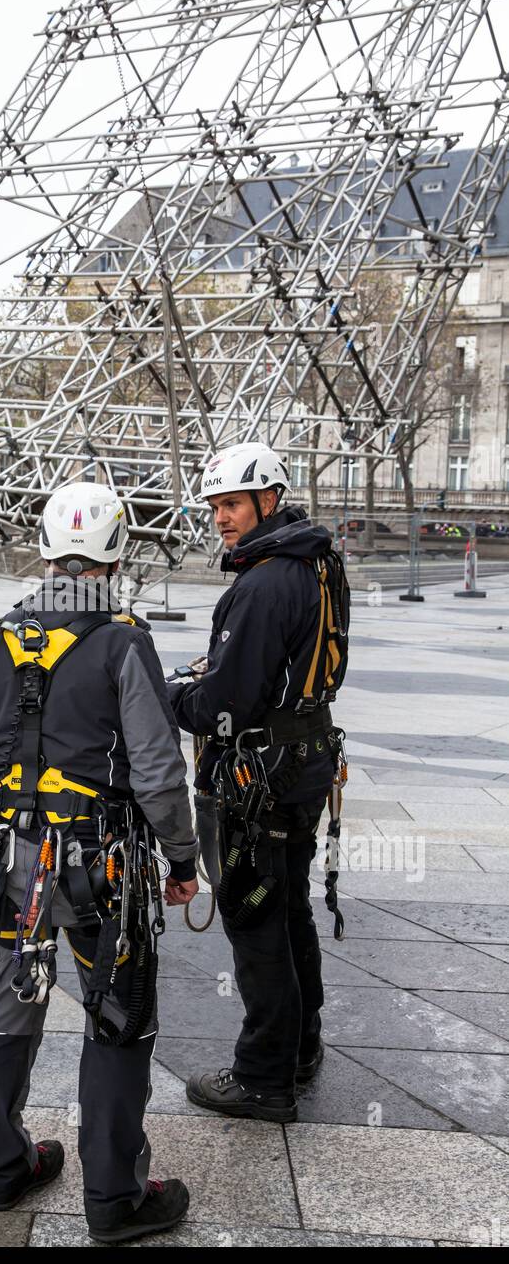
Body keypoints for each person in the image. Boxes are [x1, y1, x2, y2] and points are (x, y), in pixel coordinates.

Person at [0, 480, 199, 1244]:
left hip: (13, 859)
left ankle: (4, 1167)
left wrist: (5, 827)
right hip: (104, 866)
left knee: (5, 1006)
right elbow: (157, 770)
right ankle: (114, 1197)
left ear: (45, 551)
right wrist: (183, 857)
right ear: (116, 555)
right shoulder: (125, 640)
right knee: (120, 1014)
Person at [167, 441, 348, 1124]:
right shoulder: (318, 564)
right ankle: (302, 1046)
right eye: (215, 506)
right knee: (290, 904)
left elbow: (227, 704)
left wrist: (170, 696)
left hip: (260, 778)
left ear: (269, 500)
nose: (221, 518)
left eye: (233, 504)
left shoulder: (265, 583)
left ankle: (264, 1077)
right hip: (305, 759)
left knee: (254, 918)